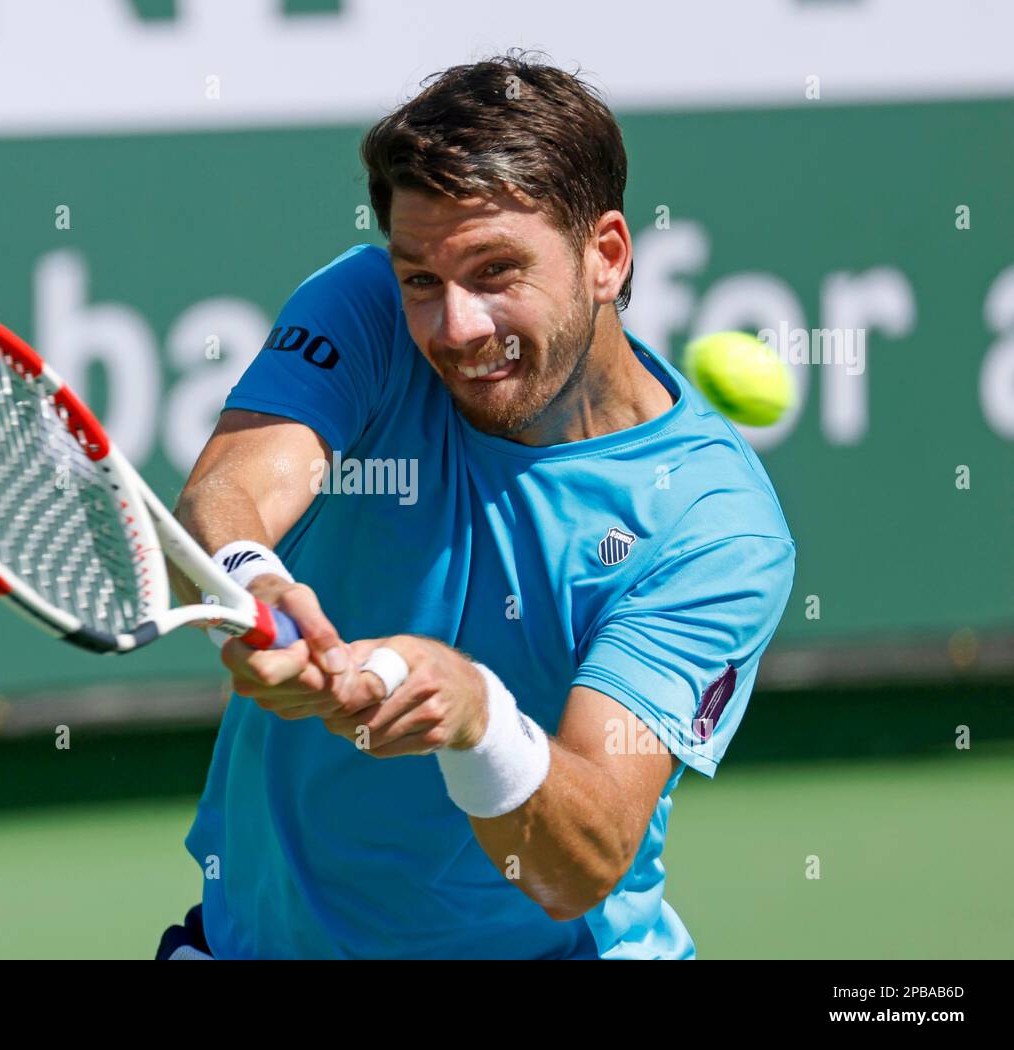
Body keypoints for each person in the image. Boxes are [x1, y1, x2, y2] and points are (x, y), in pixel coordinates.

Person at [157, 51, 795, 960]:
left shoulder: (714, 528)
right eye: (422, 279)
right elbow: (231, 488)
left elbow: (582, 863)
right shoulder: (366, 307)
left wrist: (476, 719)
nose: (454, 328)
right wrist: (248, 587)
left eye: (496, 272)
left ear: (606, 255)